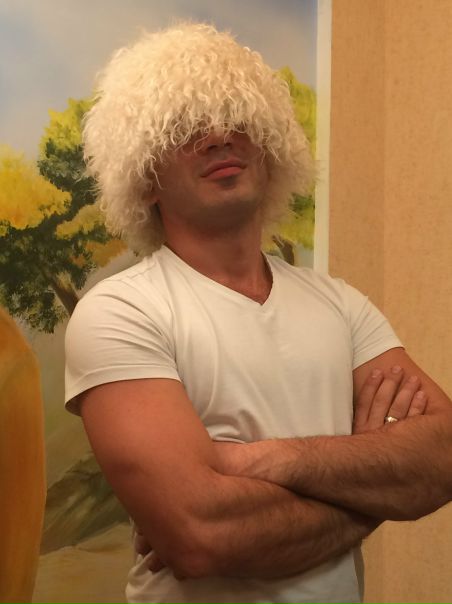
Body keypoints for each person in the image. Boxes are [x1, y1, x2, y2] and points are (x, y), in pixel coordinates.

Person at [64, 22, 452, 604]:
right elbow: (203, 538)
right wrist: (377, 486)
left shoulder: (341, 304)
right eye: (186, 130)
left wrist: (258, 460)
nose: (221, 137)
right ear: (145, 180)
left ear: (270, 149)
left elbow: (442, 456)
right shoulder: (120, 313)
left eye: (239, 119)